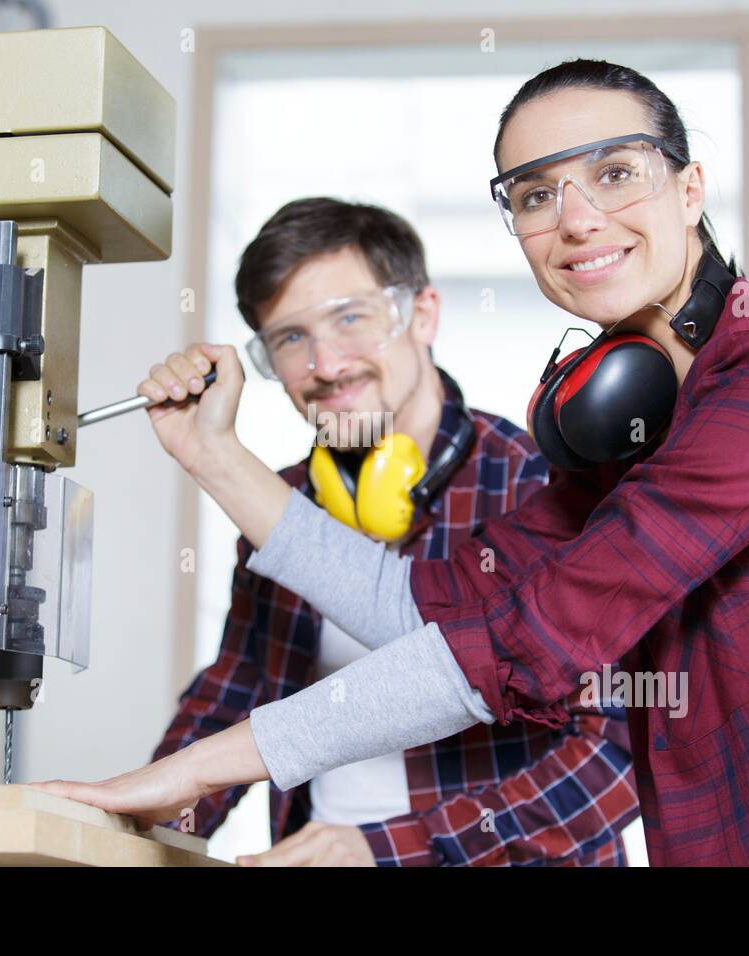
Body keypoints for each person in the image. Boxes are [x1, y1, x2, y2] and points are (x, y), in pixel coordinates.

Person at [33, 59, 749, 866]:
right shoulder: (632, 444)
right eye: (537, 194)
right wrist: (211, 455)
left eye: (616, 173)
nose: (575, 220)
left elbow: (531, 644)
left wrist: (213, 767)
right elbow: (428, 608)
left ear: (690, 191)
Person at [151, 198, 637, 866]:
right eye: (290, 338)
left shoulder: (544, 487)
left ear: (423, 314)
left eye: (350, 318)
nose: (324, 364)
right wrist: (135, 825)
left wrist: (388, 850)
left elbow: (612, 756)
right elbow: (235, 690)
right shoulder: (281, 504)